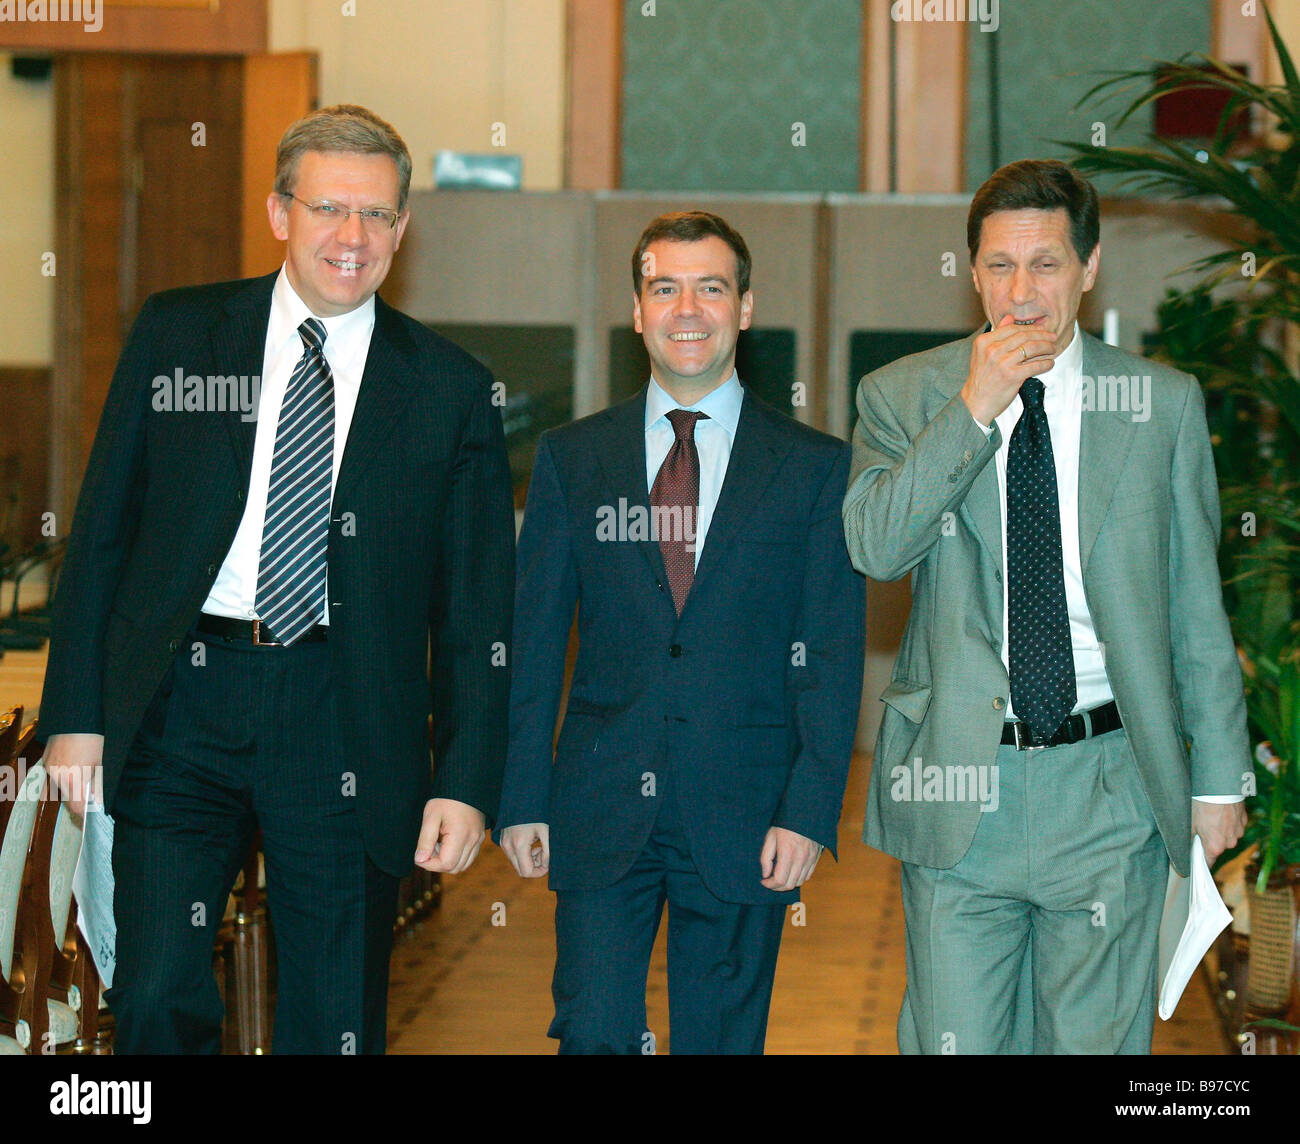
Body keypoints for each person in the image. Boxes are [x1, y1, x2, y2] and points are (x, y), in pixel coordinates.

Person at [38, 105, 515, 1054]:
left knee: (334, 1018)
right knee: (154, 997)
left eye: (377, 216)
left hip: (346, 718)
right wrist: (74, 715)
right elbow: (101, 537)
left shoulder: (450, 390)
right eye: (329, 207)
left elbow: (474, 612)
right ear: (278, 212)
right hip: (182, 705)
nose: (353, 237)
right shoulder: (179, 334)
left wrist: (463, 781)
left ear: (402, 230)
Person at [842, 158, 1247, 1055]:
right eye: (999, 266)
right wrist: (974, 411)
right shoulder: (903, 395)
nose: (1021, 292)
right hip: (958, 782)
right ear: (973, 271)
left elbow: (1194, 606)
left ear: (1091, 265)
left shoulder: (1158, 404)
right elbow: (873, 546)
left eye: (1046, 264)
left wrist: (1219, 780)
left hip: (1110, 784)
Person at [496, 211, 865, 1054]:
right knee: (591, 1035)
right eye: (666, 288)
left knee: (721, 1043)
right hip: (599, 807)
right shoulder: (571, 459)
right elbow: (535, 644)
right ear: (637, 309)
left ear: (744, 308)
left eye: (711, 287)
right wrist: (521, 795)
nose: (688, 308)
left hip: (747, 812)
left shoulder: (813, 468)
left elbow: (832, 656)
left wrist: (810, 811)